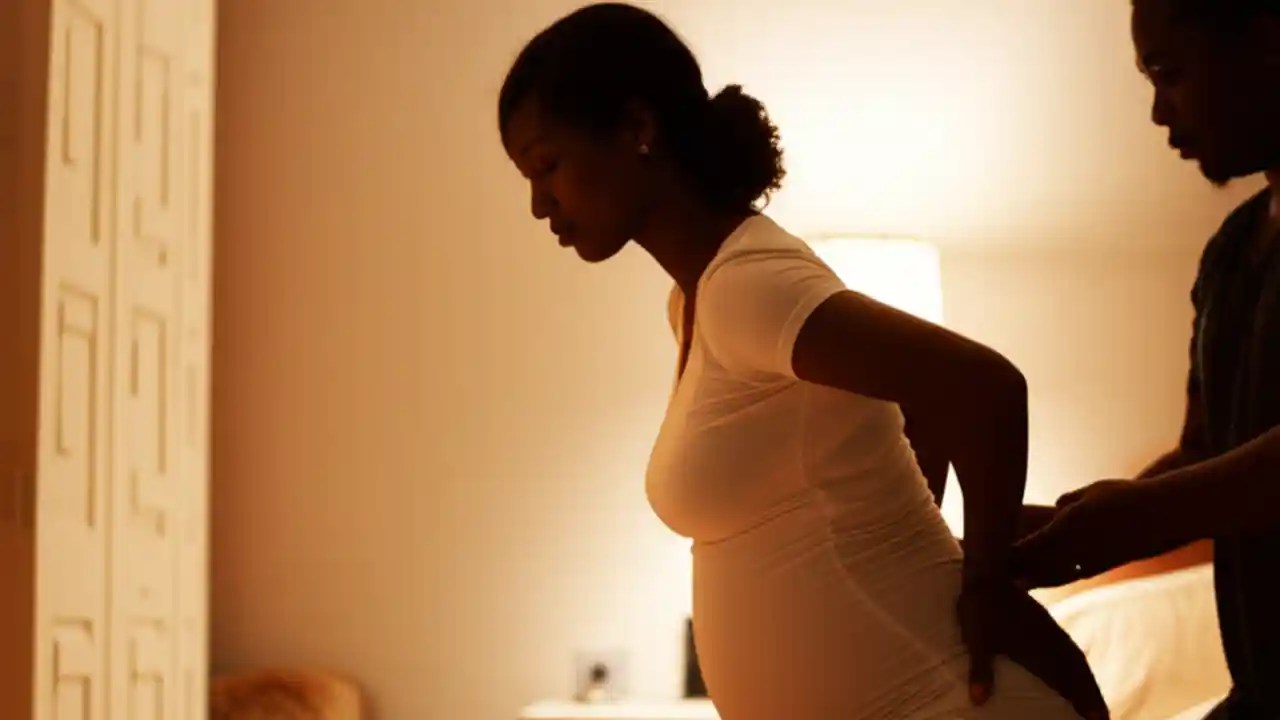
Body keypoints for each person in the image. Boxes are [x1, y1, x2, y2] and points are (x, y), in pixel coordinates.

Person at [497, 4, 1105, 718]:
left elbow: (984, 387)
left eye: (548, 166)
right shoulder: (696, 299)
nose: (540, 205)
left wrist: (984, 584)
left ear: (637, 129)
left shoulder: (749, 285)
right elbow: (917, 403)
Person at [1014, 1, 1280, 718]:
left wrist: (1126, 518)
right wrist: (1054, 531)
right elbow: (1204, 453)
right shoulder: (1232, 252)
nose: (1160, 114)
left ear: (1267, 40)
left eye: (1170, 73)